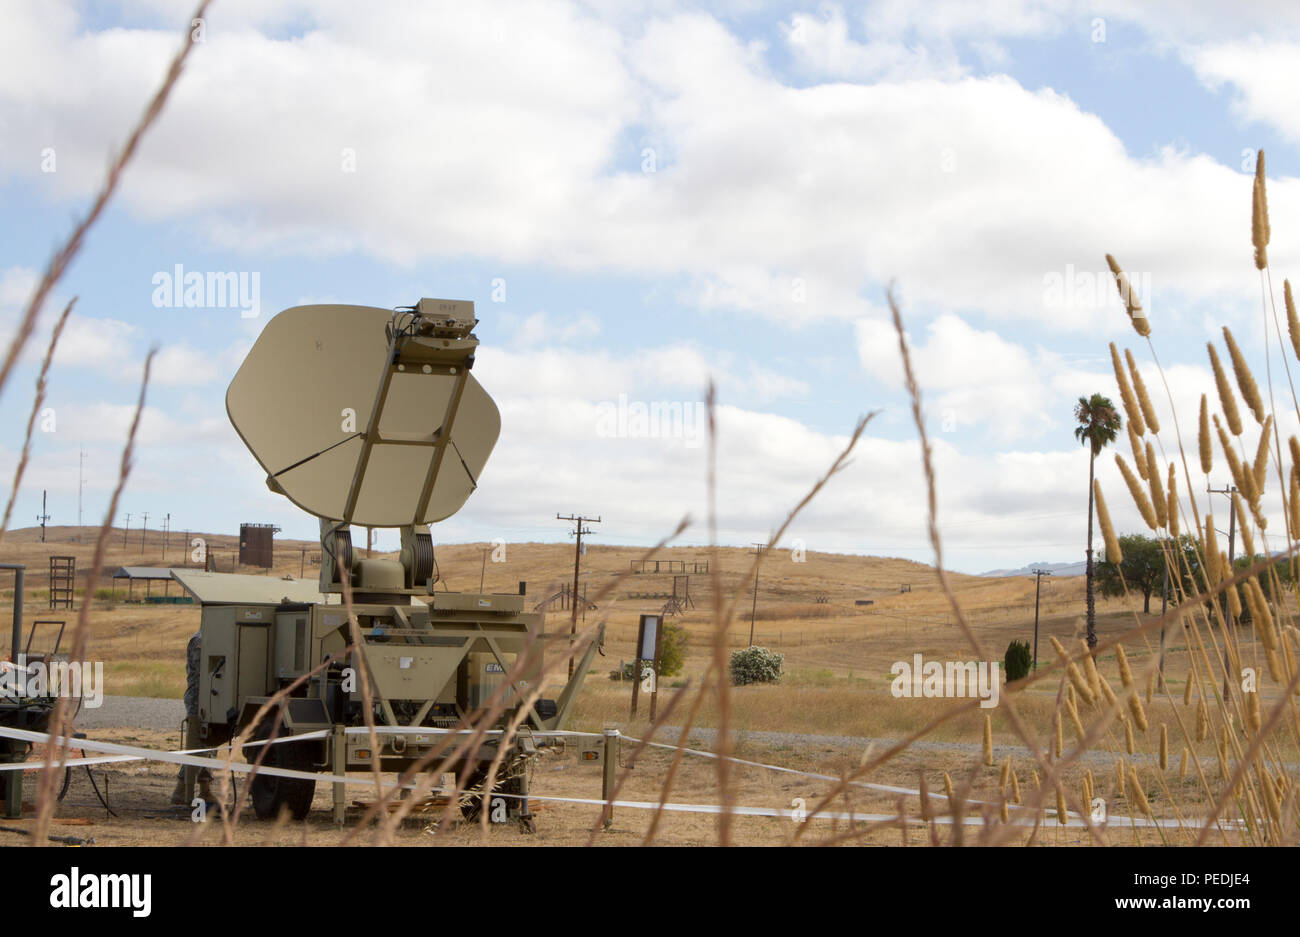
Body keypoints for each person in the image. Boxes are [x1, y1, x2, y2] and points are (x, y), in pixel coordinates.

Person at [171, 631, 212, 804]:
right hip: (198, 701)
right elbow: (204, 671)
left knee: (208, 748)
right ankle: (182, 791)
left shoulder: (212, 636)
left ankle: (204, 790)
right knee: (197, 747)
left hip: (210, 700)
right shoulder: (200, 640)